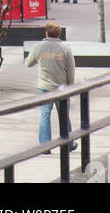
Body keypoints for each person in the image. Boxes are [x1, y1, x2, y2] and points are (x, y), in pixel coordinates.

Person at [26, 20, 77, 152]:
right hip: (61, 88)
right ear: (59, 34)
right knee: (64, 115)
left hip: (44, 87)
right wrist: (69, 84)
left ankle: (45, 145)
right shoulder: (65, 49)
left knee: (45, 114)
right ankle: (68, 143)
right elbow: (71, 71)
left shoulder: (39, 47)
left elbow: (28, 63)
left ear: (46, 32)